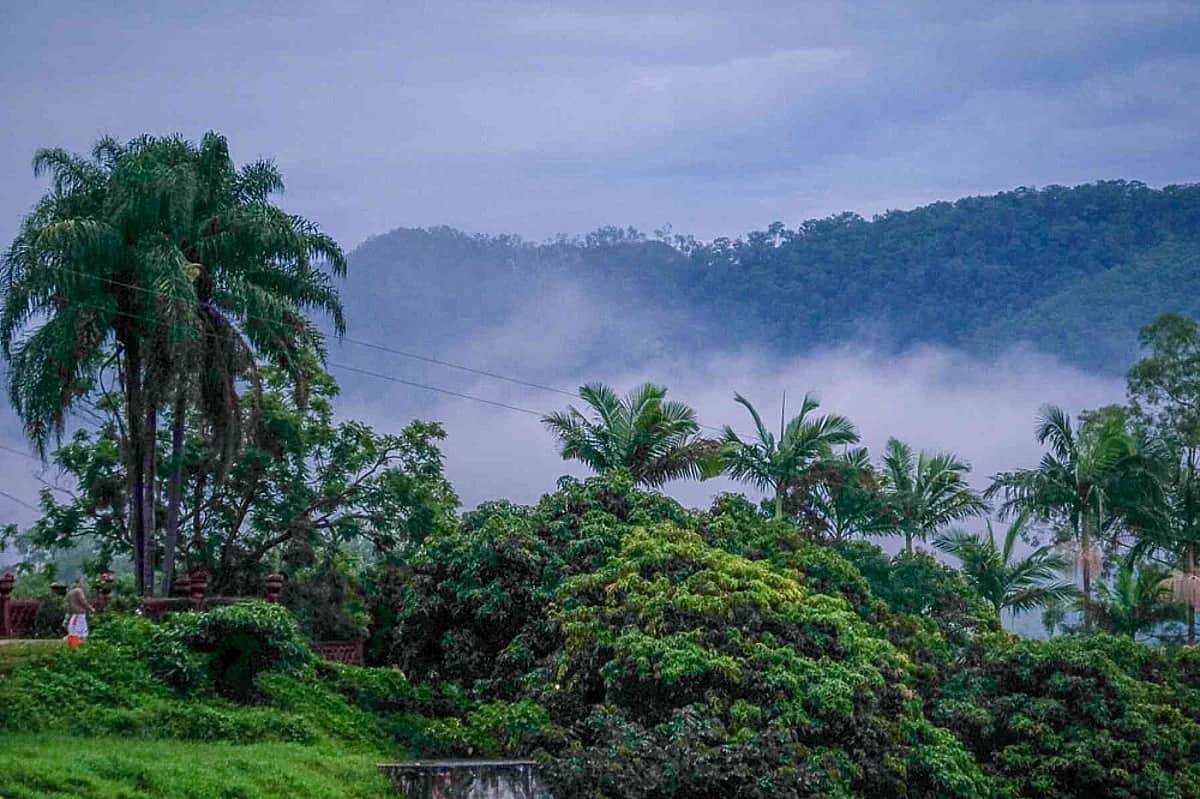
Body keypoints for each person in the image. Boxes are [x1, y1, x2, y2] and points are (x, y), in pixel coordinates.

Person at [65, 576, 95, 643]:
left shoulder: (70, 592)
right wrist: (91, 608)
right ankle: (78, 641)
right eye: (82, 582)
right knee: (78, 629)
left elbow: (68, 603)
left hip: (74, 613)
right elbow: (83, 601)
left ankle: (76, 642)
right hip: (79, 613)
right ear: (79, 582)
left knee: (75, 628)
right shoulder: (79, 591)